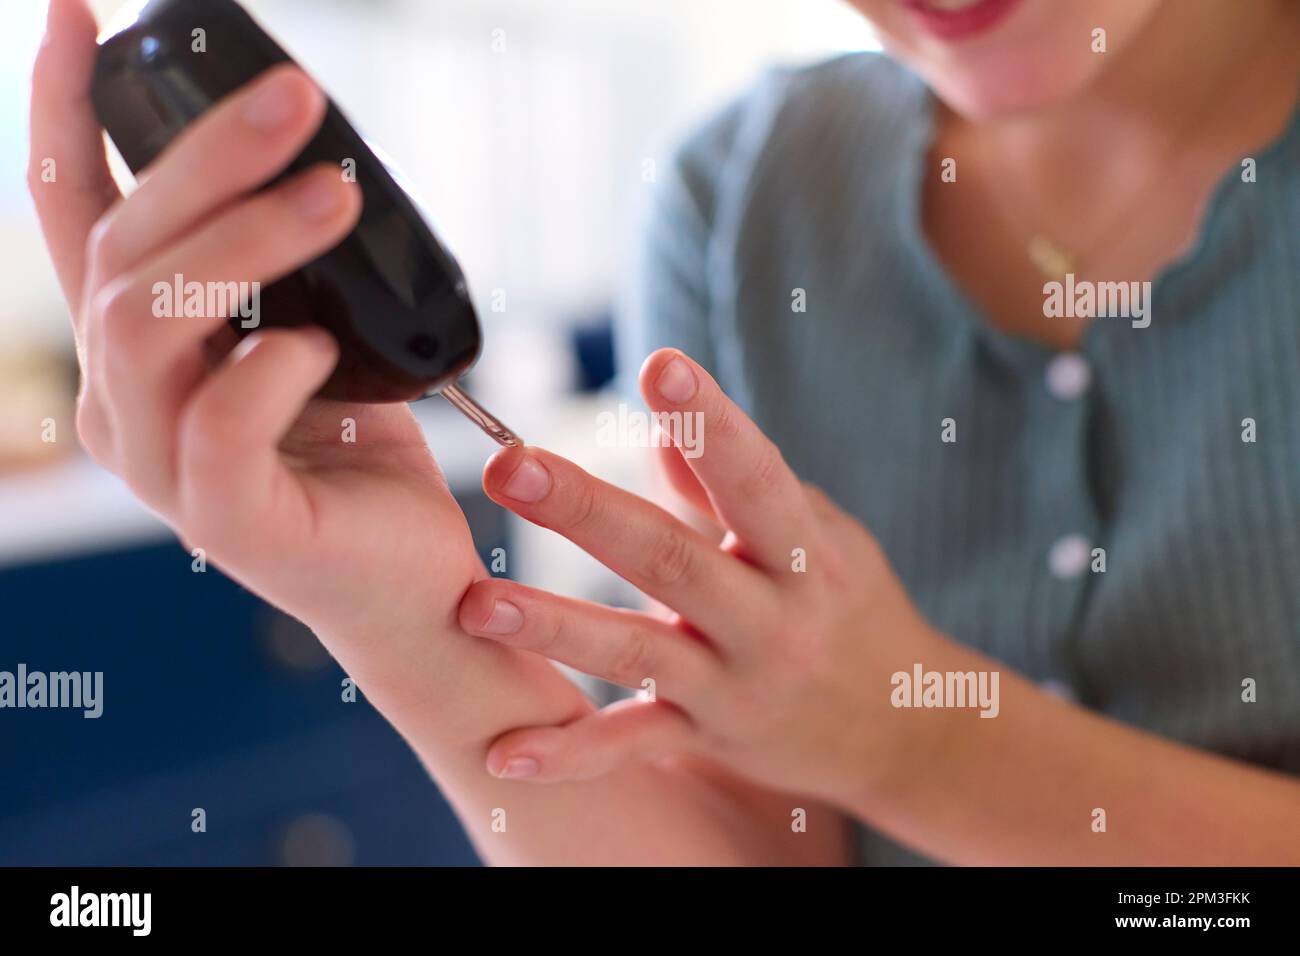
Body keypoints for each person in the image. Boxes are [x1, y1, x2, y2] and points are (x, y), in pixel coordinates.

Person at [29, 0, 1300, 865]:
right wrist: (394, 611)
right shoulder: (739, 194)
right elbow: (766, 843)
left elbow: (884, 753)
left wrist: (918, 743)